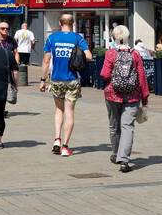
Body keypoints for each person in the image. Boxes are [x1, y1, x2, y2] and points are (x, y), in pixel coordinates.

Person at [39, 13, 91, 157]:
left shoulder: (52, 38)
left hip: (56, 79)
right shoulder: (77, 38)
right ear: (73, 24)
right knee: (69, 112)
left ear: (60, 24)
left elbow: (46, 60)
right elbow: (89, 56)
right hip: (72, 79)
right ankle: (65, 147)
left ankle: (56, 139)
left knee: (58, 110)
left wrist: (43, 80)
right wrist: (76, 53)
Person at [101, 25, 150, 173]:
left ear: (114, 37)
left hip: (112, 95)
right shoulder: (135, 54)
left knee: (114, 126)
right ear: (128, 37)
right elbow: (141, 77)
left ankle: (115, 153)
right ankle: (124, 160)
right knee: (127, 127)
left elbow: (104, 74)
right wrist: (145, 97)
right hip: (132, 96)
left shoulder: (110, 53)